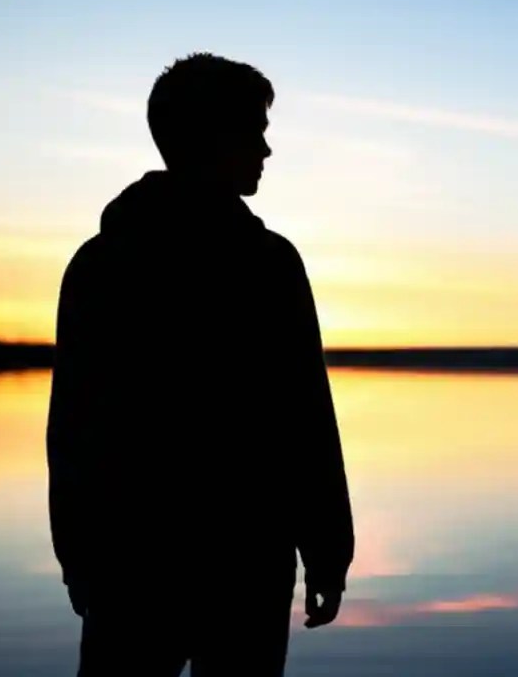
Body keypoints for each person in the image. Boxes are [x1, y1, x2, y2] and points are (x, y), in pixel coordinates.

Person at [45, 53, 354, 676]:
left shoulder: (98, 263)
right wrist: (328, 550)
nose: (267, 151)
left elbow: (72, 428)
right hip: (234, 562)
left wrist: (76, 555)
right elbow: (305, 420)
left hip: (130, 562)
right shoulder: (267, 266)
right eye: (255, 132)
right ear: (213, 139)